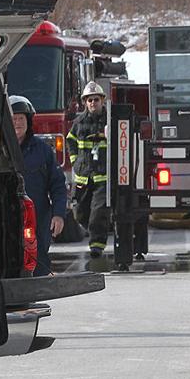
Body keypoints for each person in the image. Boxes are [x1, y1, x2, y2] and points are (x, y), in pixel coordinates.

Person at [9, 95, 66, 275]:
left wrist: (58, 215)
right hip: (7, 218)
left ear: (28, 121)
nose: (17, 123)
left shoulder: (42, 150)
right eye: (13, 118)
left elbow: (57, 185)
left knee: (38, 261)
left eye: (21, 118)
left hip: (38, 220)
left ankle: (36, 297)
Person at [66, 81, 111, 258]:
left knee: (98, 211)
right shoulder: (78, 123)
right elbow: (70, 140)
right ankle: (94, 232)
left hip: (102, 176)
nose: (93, 103)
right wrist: (75, 161)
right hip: (84, 177)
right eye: (90, 100)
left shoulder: (109, 120)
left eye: (96, 100)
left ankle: (96, 246)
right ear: (85, 102)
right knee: (80, 214)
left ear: (102, 100)